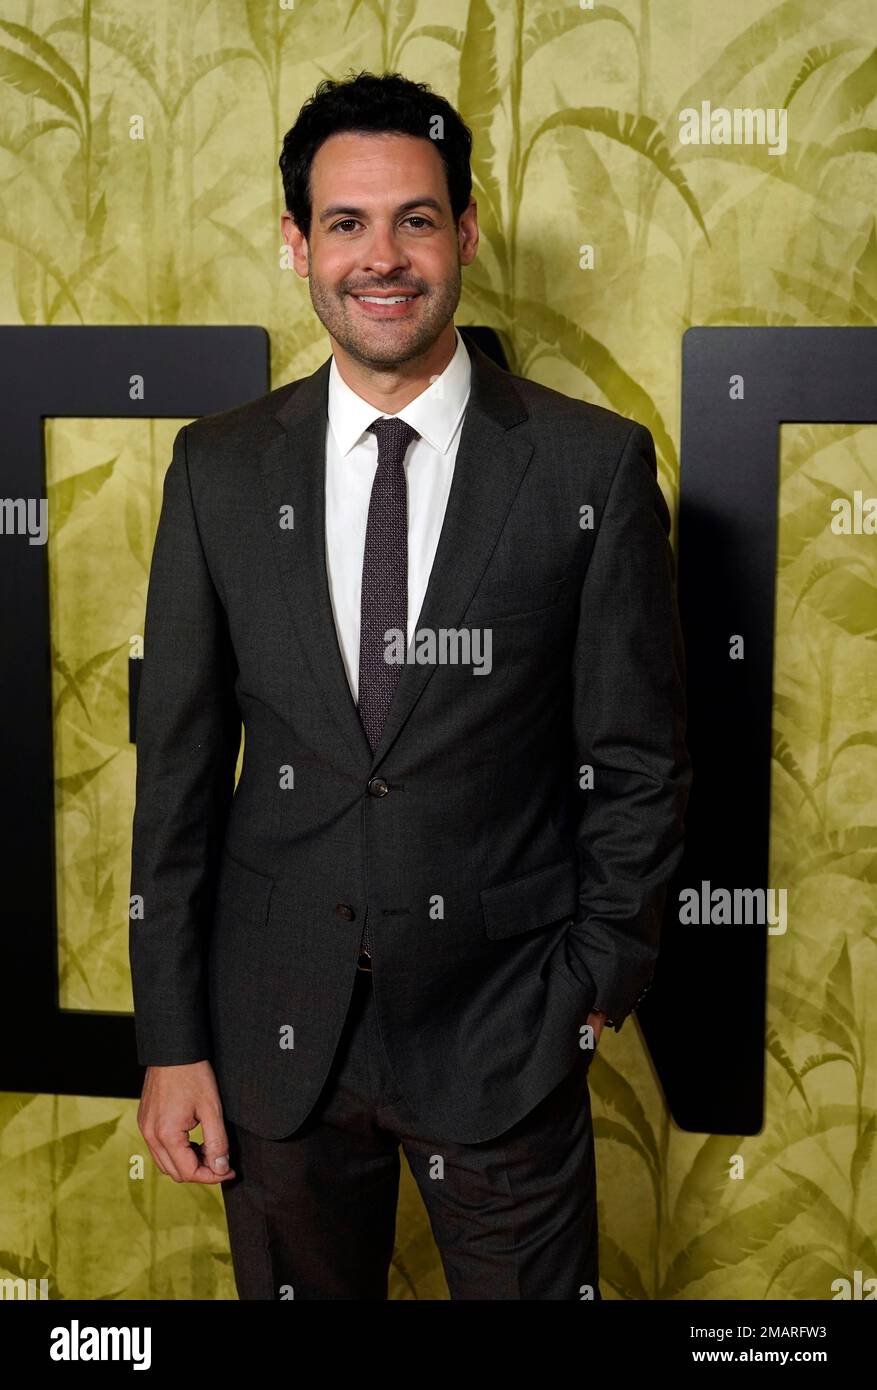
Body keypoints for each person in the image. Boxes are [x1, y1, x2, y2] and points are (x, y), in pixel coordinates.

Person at [130, 70, 692, 1300]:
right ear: (297, 245)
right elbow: (174, 781)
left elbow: (636, 766)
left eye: (415, 219)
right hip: (275, 1041)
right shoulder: (218, 471)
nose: (380, 257)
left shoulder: (586, 467)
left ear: (466, 232)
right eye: (344, 223)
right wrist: (173, 1045)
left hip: (505, 1034)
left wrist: (585, 997)